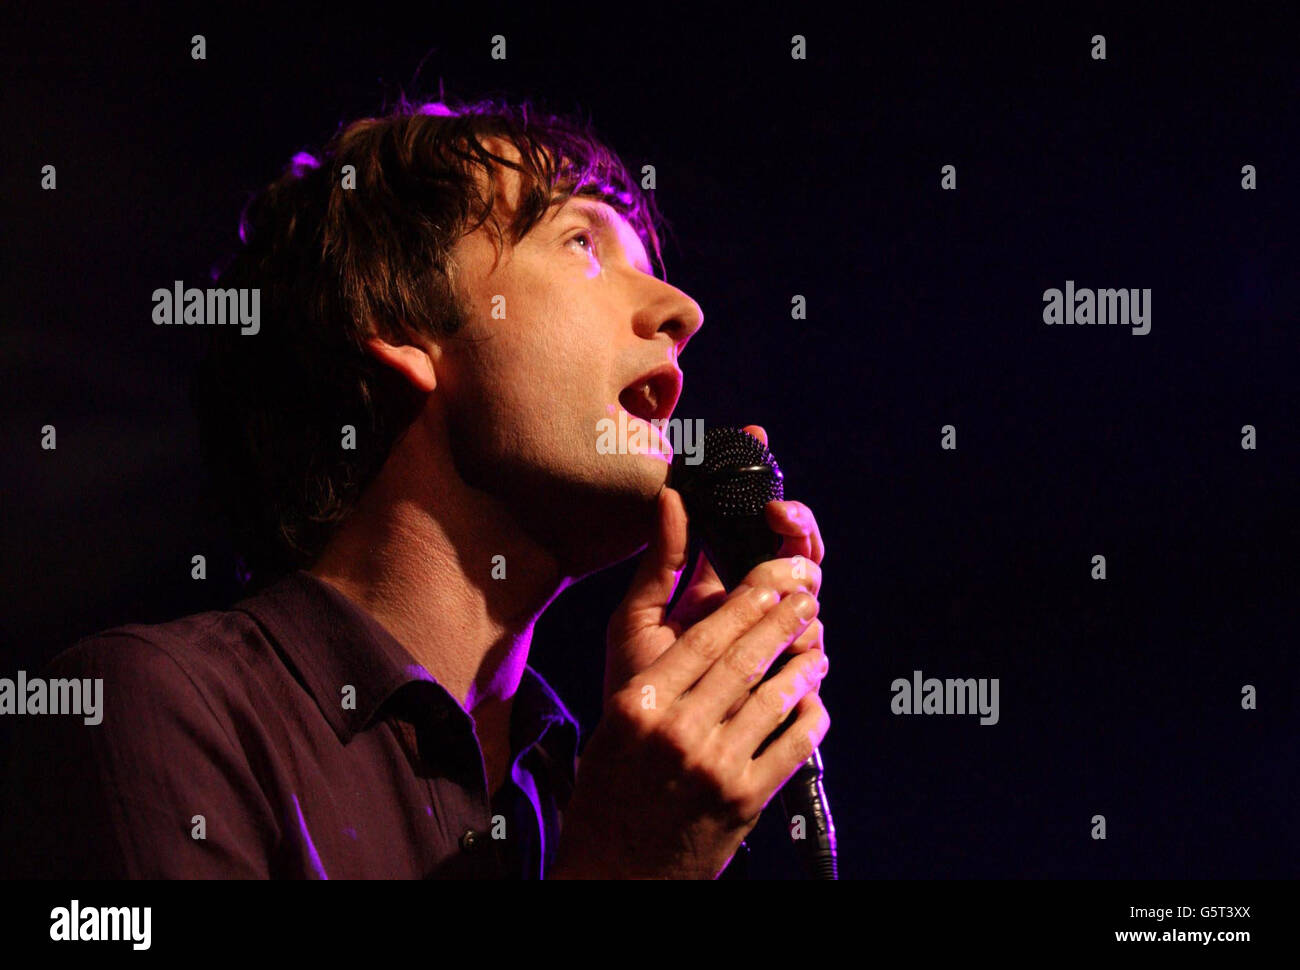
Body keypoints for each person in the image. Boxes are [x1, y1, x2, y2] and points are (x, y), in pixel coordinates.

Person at [1, 97, 829, 879]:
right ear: (403, 325)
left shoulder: (584, 791)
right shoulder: (157, 709)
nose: (684, 310)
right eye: (581, 243)